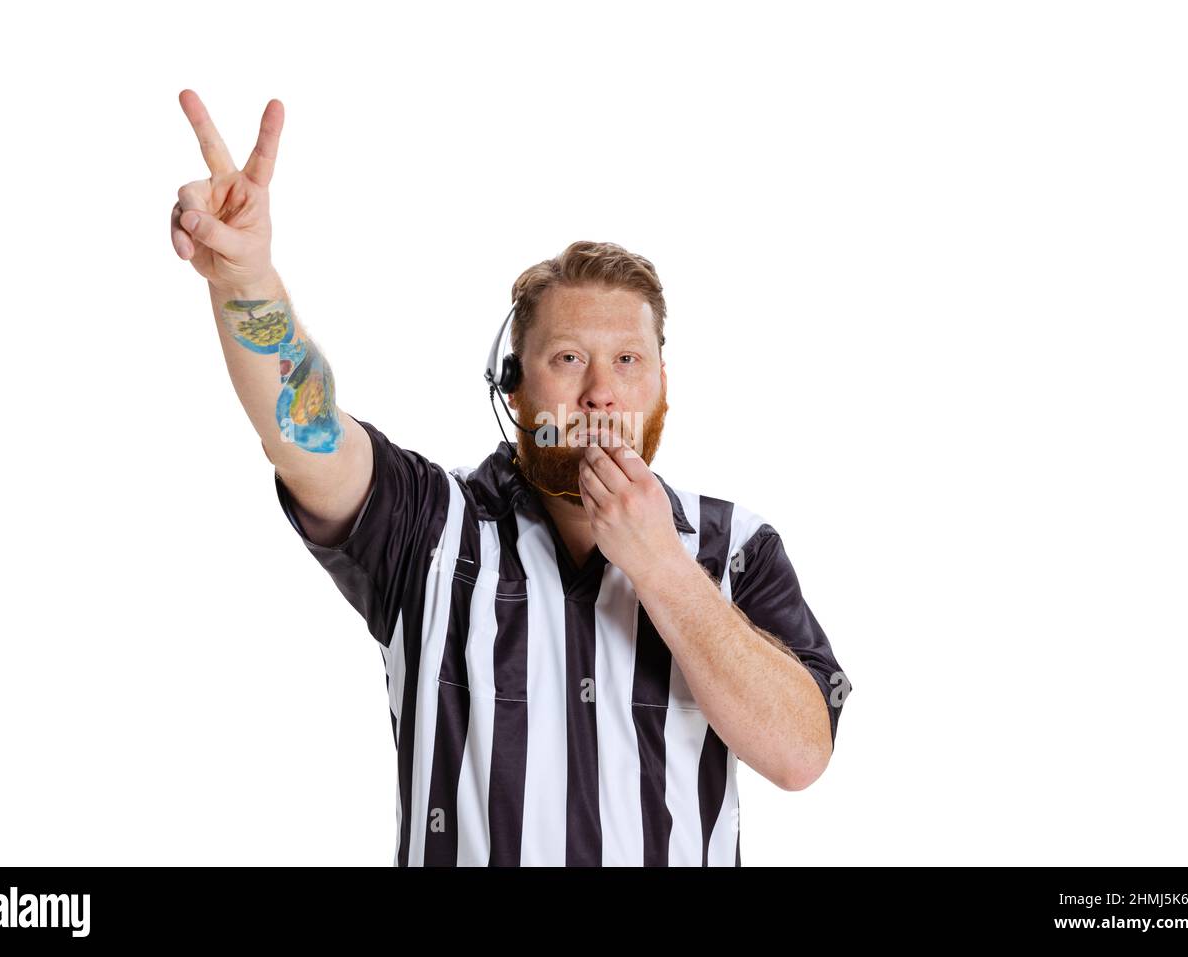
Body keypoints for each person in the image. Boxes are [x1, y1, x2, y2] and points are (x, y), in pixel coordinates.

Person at [170, 90, 852, 867]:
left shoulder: (737, 550)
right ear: (514, 387)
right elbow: (305, 433)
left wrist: (665, 568)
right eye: (568, 359)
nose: (600, 391)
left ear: (663, 384)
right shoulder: (432, 530)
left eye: (628, 362)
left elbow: (802, 753)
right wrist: (245, 279)